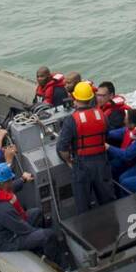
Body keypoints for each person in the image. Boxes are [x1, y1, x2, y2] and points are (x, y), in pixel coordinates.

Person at [0, 163, 72, 269]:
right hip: (6, 241)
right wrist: (38, 234)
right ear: (2, 183)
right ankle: (64, 268)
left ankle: (41, 249)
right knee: (48, 235)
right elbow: (23, 229)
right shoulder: (3, 209)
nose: (11, 182)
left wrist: (22, 179)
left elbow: (11, 187)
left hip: (6, 230)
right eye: (9, 180)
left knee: (36, 213)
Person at [55, 81, 116, 214]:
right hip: (102, 163)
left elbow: (62, 148)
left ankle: (87, 231)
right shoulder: (102, 116)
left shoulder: (71, 120)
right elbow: (106, 135)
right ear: (91, 98)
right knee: (107, 200)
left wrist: (69, 161)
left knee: (83, 205)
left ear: (75, 99)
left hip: (82, 165)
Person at [108, 112, 136, 192]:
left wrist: (108, 147)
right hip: (132, 160)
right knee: (112, 166)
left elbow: (127, 155)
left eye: (125, 120)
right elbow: (112, 134)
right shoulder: (129, 130)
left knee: (123, 179)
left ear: (132, 124)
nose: (123, 121)